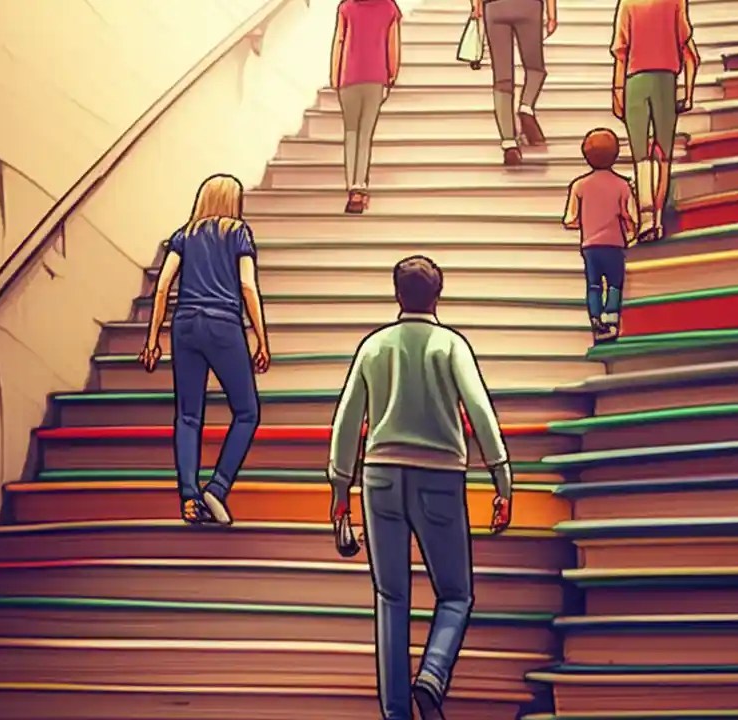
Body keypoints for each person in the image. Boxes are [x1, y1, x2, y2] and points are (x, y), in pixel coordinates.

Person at [327, 256, 514, 720]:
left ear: (397, 296)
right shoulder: (450, 345)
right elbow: (480, 412)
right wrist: (501, 479)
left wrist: (339, 489)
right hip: (440, 478)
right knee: (455, 593)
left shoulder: (373, 347)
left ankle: (395, 713)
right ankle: (432, 674)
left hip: (379, 478)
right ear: (438, 296)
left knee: (390, 598)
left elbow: (348, 420)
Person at [138, 174, 271, 526]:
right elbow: (247, 285)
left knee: (187, 416)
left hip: (185, 325)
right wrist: (261, 337)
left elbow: (164, 286)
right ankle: (219, 486)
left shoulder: (184, 235)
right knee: (246, 412)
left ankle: (188, 497)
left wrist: (153, 339)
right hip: (224, 325)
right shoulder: (238, 232)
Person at [611, 0, 700, 242]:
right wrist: (689, 94)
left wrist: (617, 90)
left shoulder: (628, 3)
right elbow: (687, 47)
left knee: (641, 153)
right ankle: (657, 218)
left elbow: (621, 51)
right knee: (663, 152)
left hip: (635, 81)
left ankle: (645, 217)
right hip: (665, 80)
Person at [563, 128, 637, 343]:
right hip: (614, 244)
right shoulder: (623, 185)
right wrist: (631, 232)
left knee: (593, 284)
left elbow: (570, 219)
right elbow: (629, 215)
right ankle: (612, 319)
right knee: (615, 283)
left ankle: (595, 319)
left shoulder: (579, 186)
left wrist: (586, 222)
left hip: (590, 247)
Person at [330, 0, 403, 214]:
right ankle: (359, 186)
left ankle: (350, 183)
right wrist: (392, 76)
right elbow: (393, 46)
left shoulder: (346, 8)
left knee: (350, 132)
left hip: (348, 76)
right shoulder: (389, 8)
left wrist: (335, 77)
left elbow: (339, 43)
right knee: (365, 133)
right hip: (375, 76)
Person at [473, 0, 557, 165]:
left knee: (502, 78)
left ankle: (508, 142)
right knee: (535, 68)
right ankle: (526, 106)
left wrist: (476, 5)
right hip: (529, 6)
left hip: (494, 7)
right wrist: (552, 14)